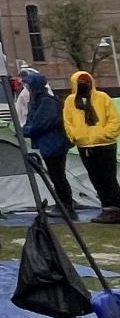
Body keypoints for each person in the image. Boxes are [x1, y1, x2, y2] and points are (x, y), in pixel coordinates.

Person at [63, 70, 120, 223]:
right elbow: (67, 122)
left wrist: (102, 134)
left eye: (86, 81)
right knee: (96, 179)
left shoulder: (103, 98)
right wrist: (76, 136)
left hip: (105, 144)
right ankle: (107, 208)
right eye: (80, 81)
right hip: (85, 145)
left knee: (108, 179)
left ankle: (115, 209)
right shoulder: (70, 101)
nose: (83, 84)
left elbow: (114, 120)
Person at [20, 70, 74, 218]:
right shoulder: (38, 101)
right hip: (48, 144)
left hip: (54, 144)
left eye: (29, 85)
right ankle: (63, 204)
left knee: (58, 176)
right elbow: (33, 121)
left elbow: (42, 123)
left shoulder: (46, 102)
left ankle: (66, 206)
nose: (28, 88)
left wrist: (26, 130)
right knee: (56, 175)